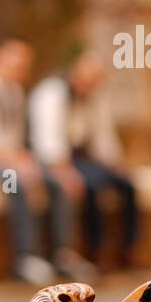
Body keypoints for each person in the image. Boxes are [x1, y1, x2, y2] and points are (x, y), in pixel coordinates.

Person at [0, 39, 95, 284]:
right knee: (17, 185)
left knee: (54, 183)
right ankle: (24, 256)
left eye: (24, 66)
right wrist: (21, 165)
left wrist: (26, 160)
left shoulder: (14, 91)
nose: (20, 70)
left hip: (7, 159)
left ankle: (61, 253)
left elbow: (13, 139)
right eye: (15, 64)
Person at [29, 51, 139, 268]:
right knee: (91, 186)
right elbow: (47, 139)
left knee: (127, 186)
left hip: (85, 157)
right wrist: (64, 170)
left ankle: (129, 249)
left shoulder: (95, 98)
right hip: (58, 159)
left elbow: (103, 136)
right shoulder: (51, 93)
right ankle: (94, 252)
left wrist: (117, 163)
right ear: (75, 73)